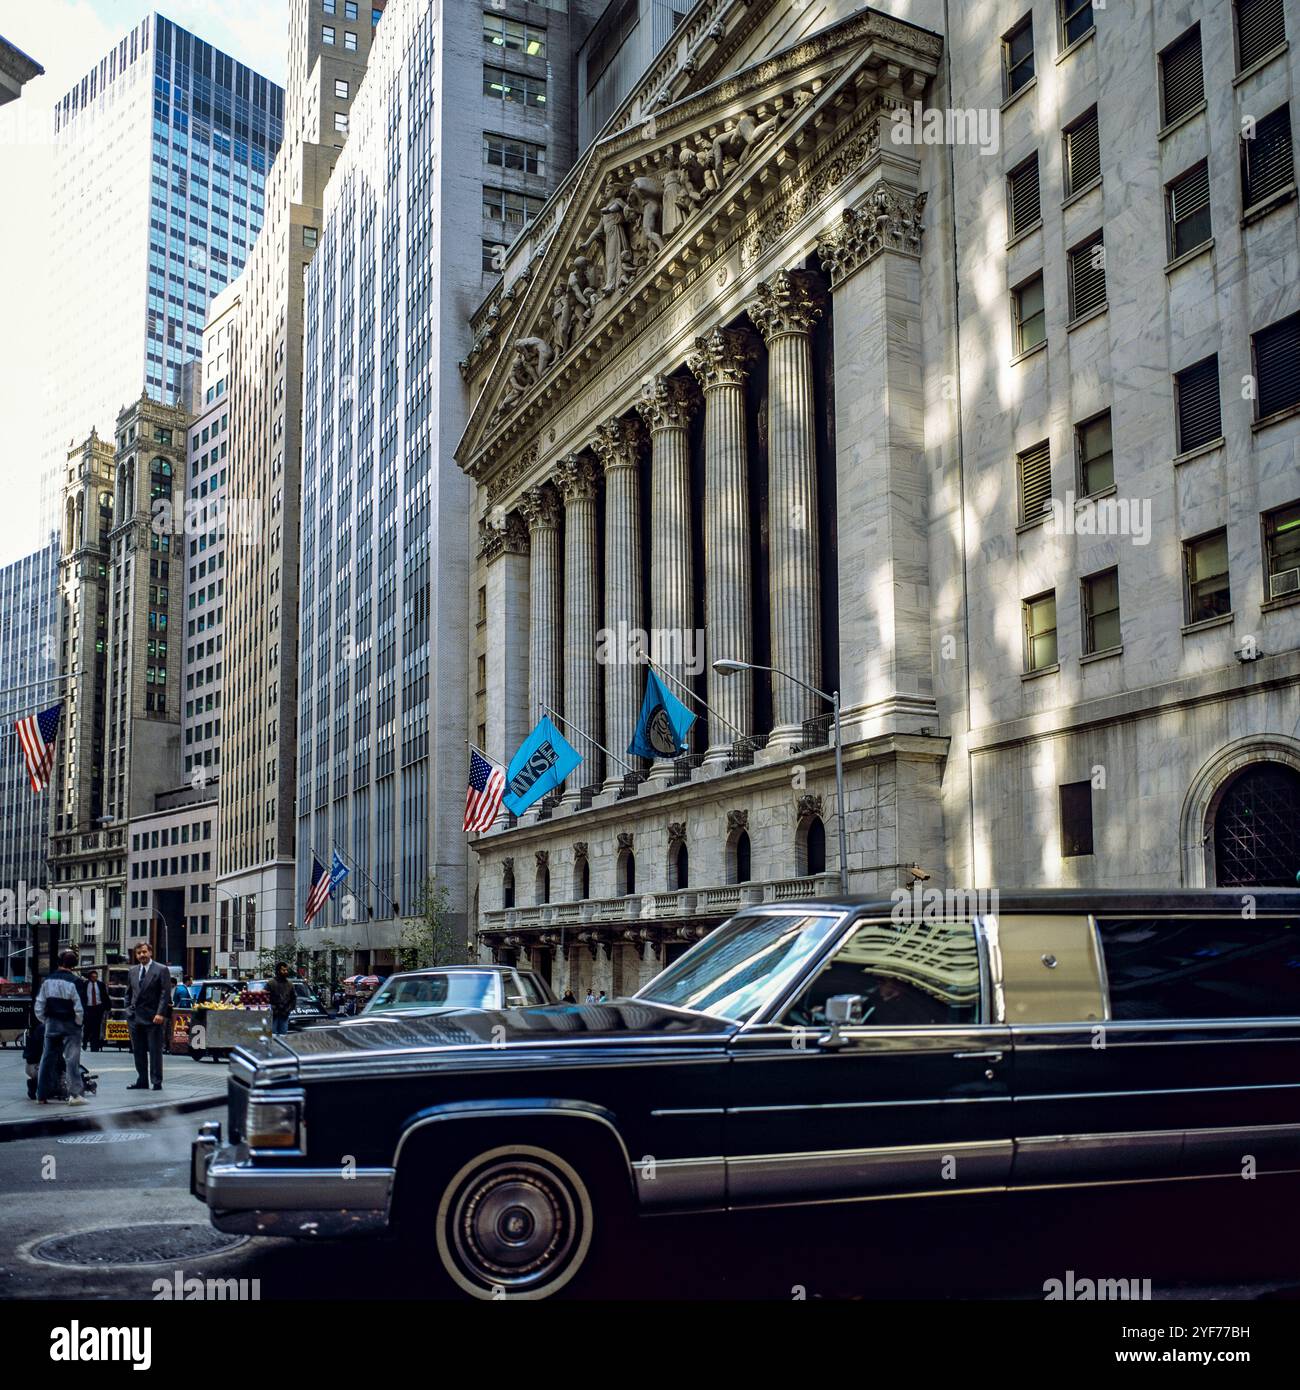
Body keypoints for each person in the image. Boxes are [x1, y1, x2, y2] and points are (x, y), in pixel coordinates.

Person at [34, 949, 86, 1105]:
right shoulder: (76, 982)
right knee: (72, 1060)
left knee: (47, 1058)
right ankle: (75, 1095)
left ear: (59, 962)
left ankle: (41, 1095)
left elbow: (39, 1005)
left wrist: (46, 1020)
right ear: (74, 964)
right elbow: (79, 1008)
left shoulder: (47, 981)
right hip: (70, 1025)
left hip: (52, 1024)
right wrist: (78, 1022)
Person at [125, 941, 172, 1091]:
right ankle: (142, 1080)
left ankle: (156, 1081)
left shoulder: (161, 969)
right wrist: (128, 1011)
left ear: (150, 952)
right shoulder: (132, 971)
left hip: (153, 1018)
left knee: (155, 1051)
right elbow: (129, 993)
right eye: (139, 953)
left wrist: (160, 1013)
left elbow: (165, 994)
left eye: (144, 952)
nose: (142, 955)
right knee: (137, 1051)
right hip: (135, 1017)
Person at [81, 969, 108, 1053]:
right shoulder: (85, 984)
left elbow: (104, 995)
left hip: (98, 1007)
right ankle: (85, 1042)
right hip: (88, 1008)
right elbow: (82, 996)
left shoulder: (100, 984)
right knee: (87, 1027)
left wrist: (107, 1007)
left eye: (96, 976)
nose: (94, 978)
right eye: (93, 977)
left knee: (96, 1028)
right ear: (89, 977)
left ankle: (94, 1046)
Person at [268, 962, 296, 1037]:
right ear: (278, 971)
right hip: (273, 1014)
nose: (286, 972)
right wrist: (272, 1008)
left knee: (283, 1036)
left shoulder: (290, 984)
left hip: (284, 1014)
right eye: (283, 970)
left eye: (286, 970)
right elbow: (266, 998)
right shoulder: (271, 983)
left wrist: (288, 1009)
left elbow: (293, 998)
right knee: (272, 1036)